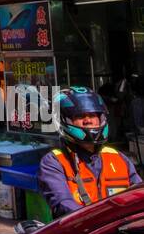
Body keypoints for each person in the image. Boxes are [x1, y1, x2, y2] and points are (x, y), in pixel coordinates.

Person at [38, 87, 142, 220]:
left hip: (120, 229)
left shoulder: (118, 158)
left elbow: (139, 195)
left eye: (93, 115)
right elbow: (63, 203)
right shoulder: (54, 162)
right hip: (81, 230)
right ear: (64, 120)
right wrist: (101, 220)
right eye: (80, 116)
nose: (88, 121)